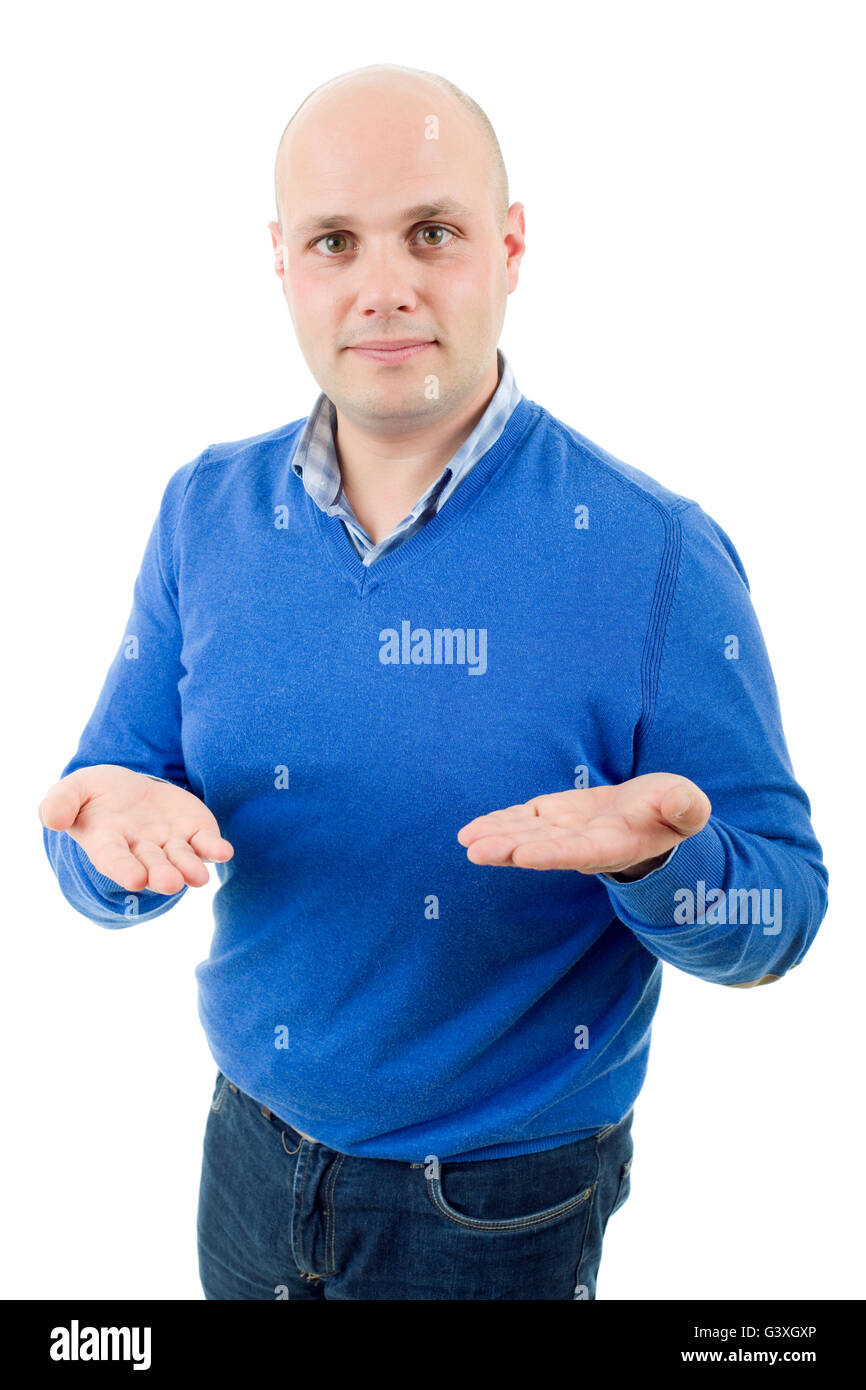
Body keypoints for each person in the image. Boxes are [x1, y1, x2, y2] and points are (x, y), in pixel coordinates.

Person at [38, 62, 829, 1301]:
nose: (383, 286)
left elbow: (778, 916)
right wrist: (104, 846)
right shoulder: (202, 512)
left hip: (495, 1211)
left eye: (433, 232)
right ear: (283, 263)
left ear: (510, 248)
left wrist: (652, 865)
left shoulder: (653, 553)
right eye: (335, 241)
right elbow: (105, 815)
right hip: (246, 1158)